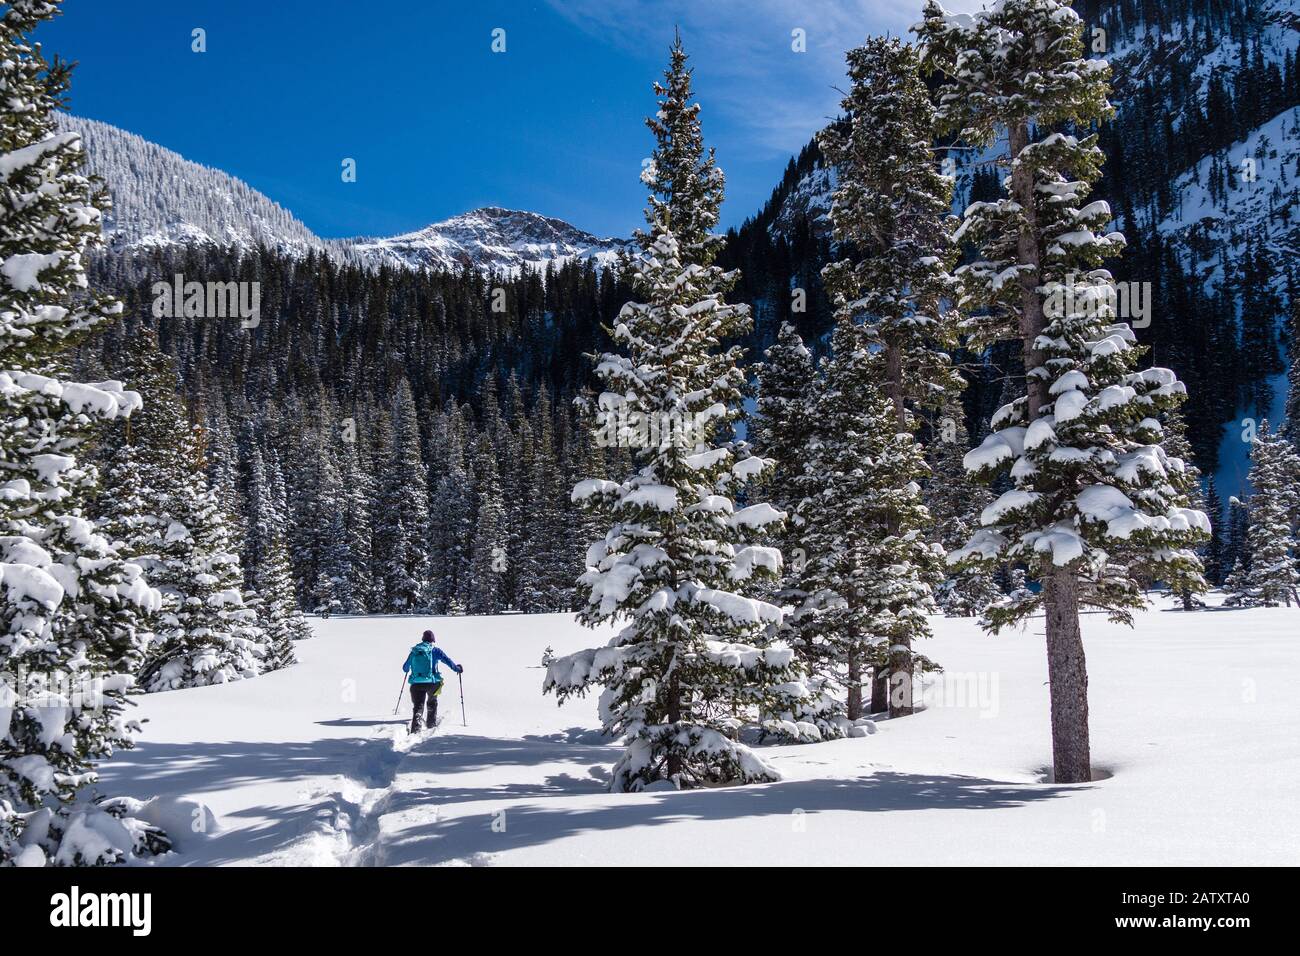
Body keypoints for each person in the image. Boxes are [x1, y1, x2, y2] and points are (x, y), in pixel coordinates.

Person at [402, 630, 463, 733]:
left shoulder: (415, 651)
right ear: (432, 640)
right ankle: (431, 724)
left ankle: (416, 727)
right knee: (432, 701)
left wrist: (410, 669)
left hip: (416, 684)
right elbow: (448, 661)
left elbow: (405, 668)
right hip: (433, 683)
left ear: (422, 639)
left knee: (418, 705)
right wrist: (458, 668)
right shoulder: (436, 651)